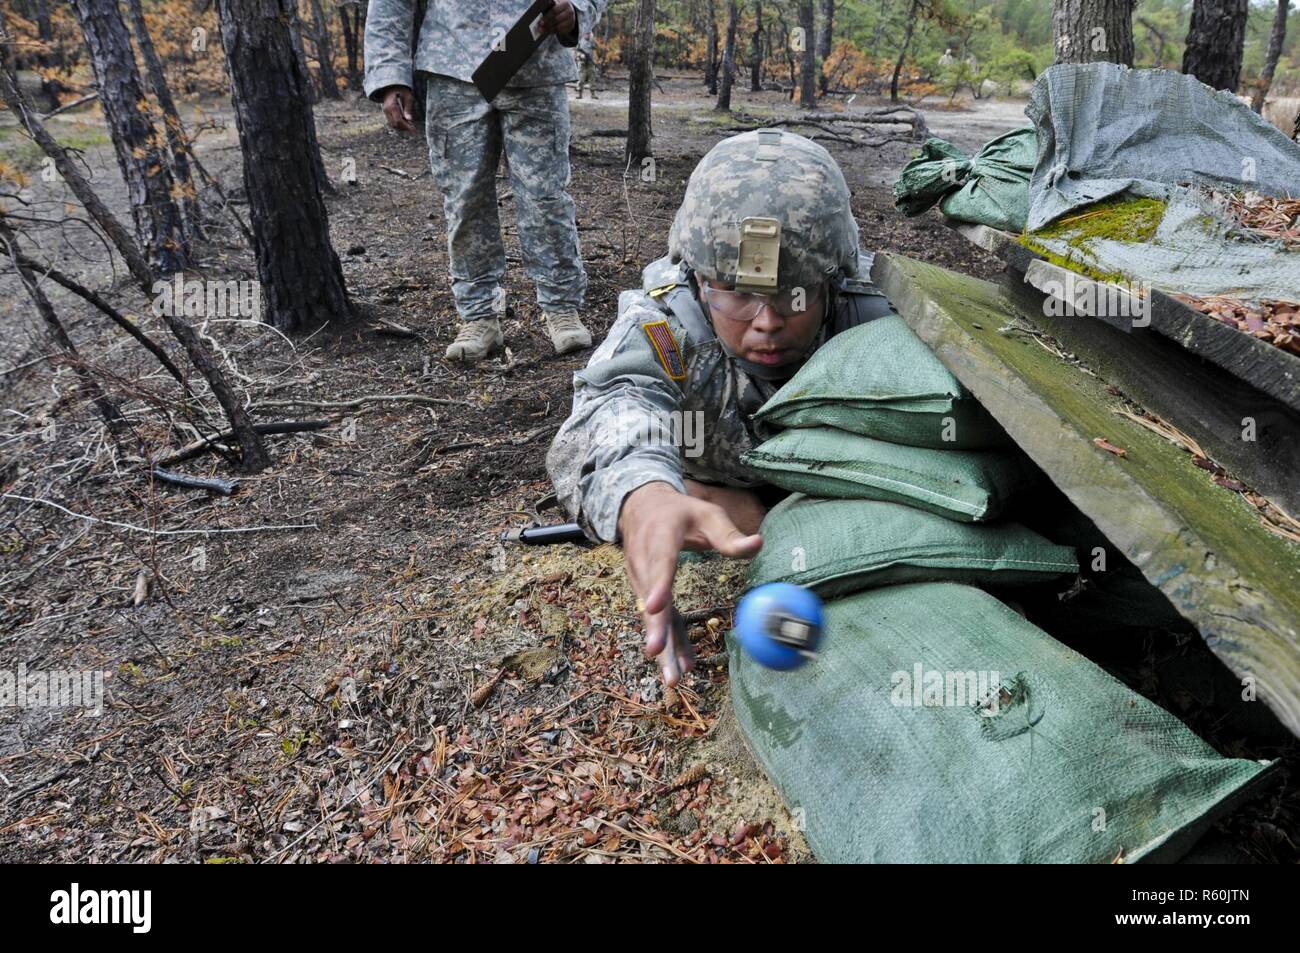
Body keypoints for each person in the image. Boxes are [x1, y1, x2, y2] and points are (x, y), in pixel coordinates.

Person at [547, 130, 896, 687]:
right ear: (698, 279)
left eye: (792, 293)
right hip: (703, 490)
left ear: (833, 279)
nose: (767, 322)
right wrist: (644, 500)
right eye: (735, 293)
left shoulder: (877, 317)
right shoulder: (665, 325)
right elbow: (609, 406)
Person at [364, 1, 607, 363]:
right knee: (465, 201)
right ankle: (479, 316)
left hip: (536, 63)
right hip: (453, 67)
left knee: (545, 198)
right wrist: (389, 74)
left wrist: (577, 9)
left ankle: (561, 307)